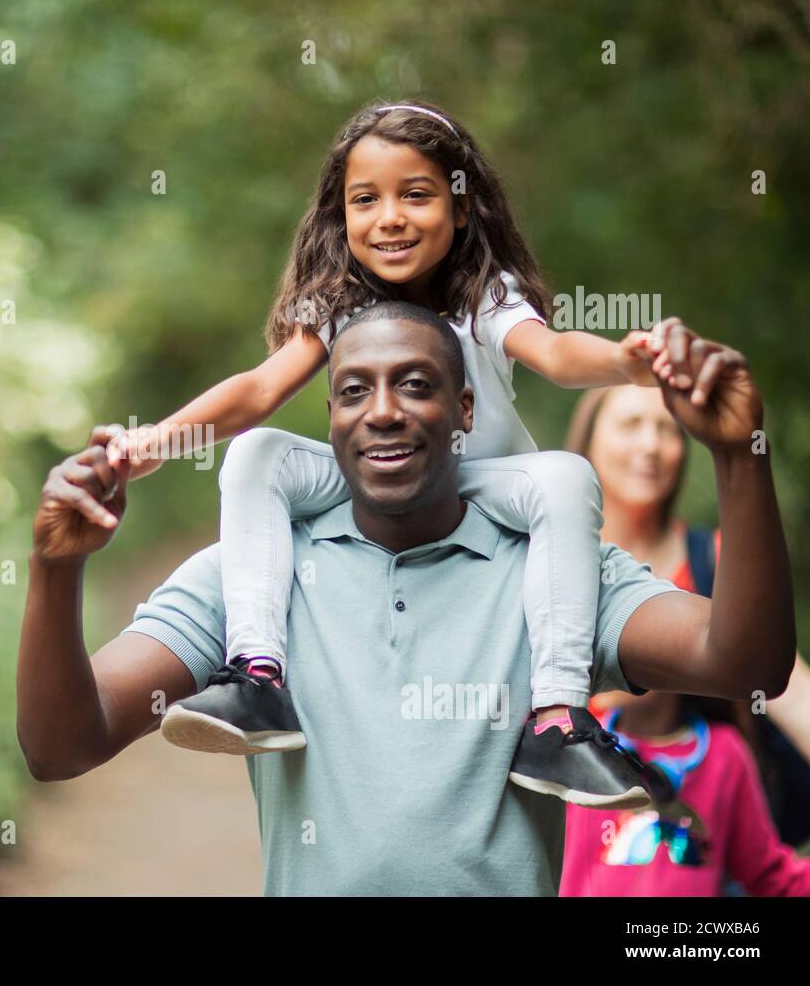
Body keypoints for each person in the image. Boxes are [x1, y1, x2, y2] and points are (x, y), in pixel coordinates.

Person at [15, 310, 796, 895]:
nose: (382, 409)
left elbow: (745, 662)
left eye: (415, 385)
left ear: (464, 411)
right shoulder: (252, 572)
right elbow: (63, 747)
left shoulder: (555, 573)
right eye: (354, 390)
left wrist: (738, 455)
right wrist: (54, 572)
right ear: (330, 420)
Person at [104, 98, 671, 810]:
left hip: (483, 481)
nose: (391, 217)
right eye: (365, 200)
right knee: (255, 456)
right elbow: (258, 390)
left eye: (417, 195)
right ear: (341, 217)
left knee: (565, 476)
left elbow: (556, 355)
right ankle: (256, 677)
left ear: (462, 209)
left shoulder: (483, 296)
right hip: (373, 477)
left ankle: (557, 718)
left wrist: (629, 360)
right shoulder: (337, 301)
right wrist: (159, 439)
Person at [555, 384, 810, 894]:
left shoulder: (714, 562)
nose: (650, 444)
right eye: (630, 424)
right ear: (586, 443)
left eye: (667, 428)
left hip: (706, 833)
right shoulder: (548, 563)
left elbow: (792, 695)